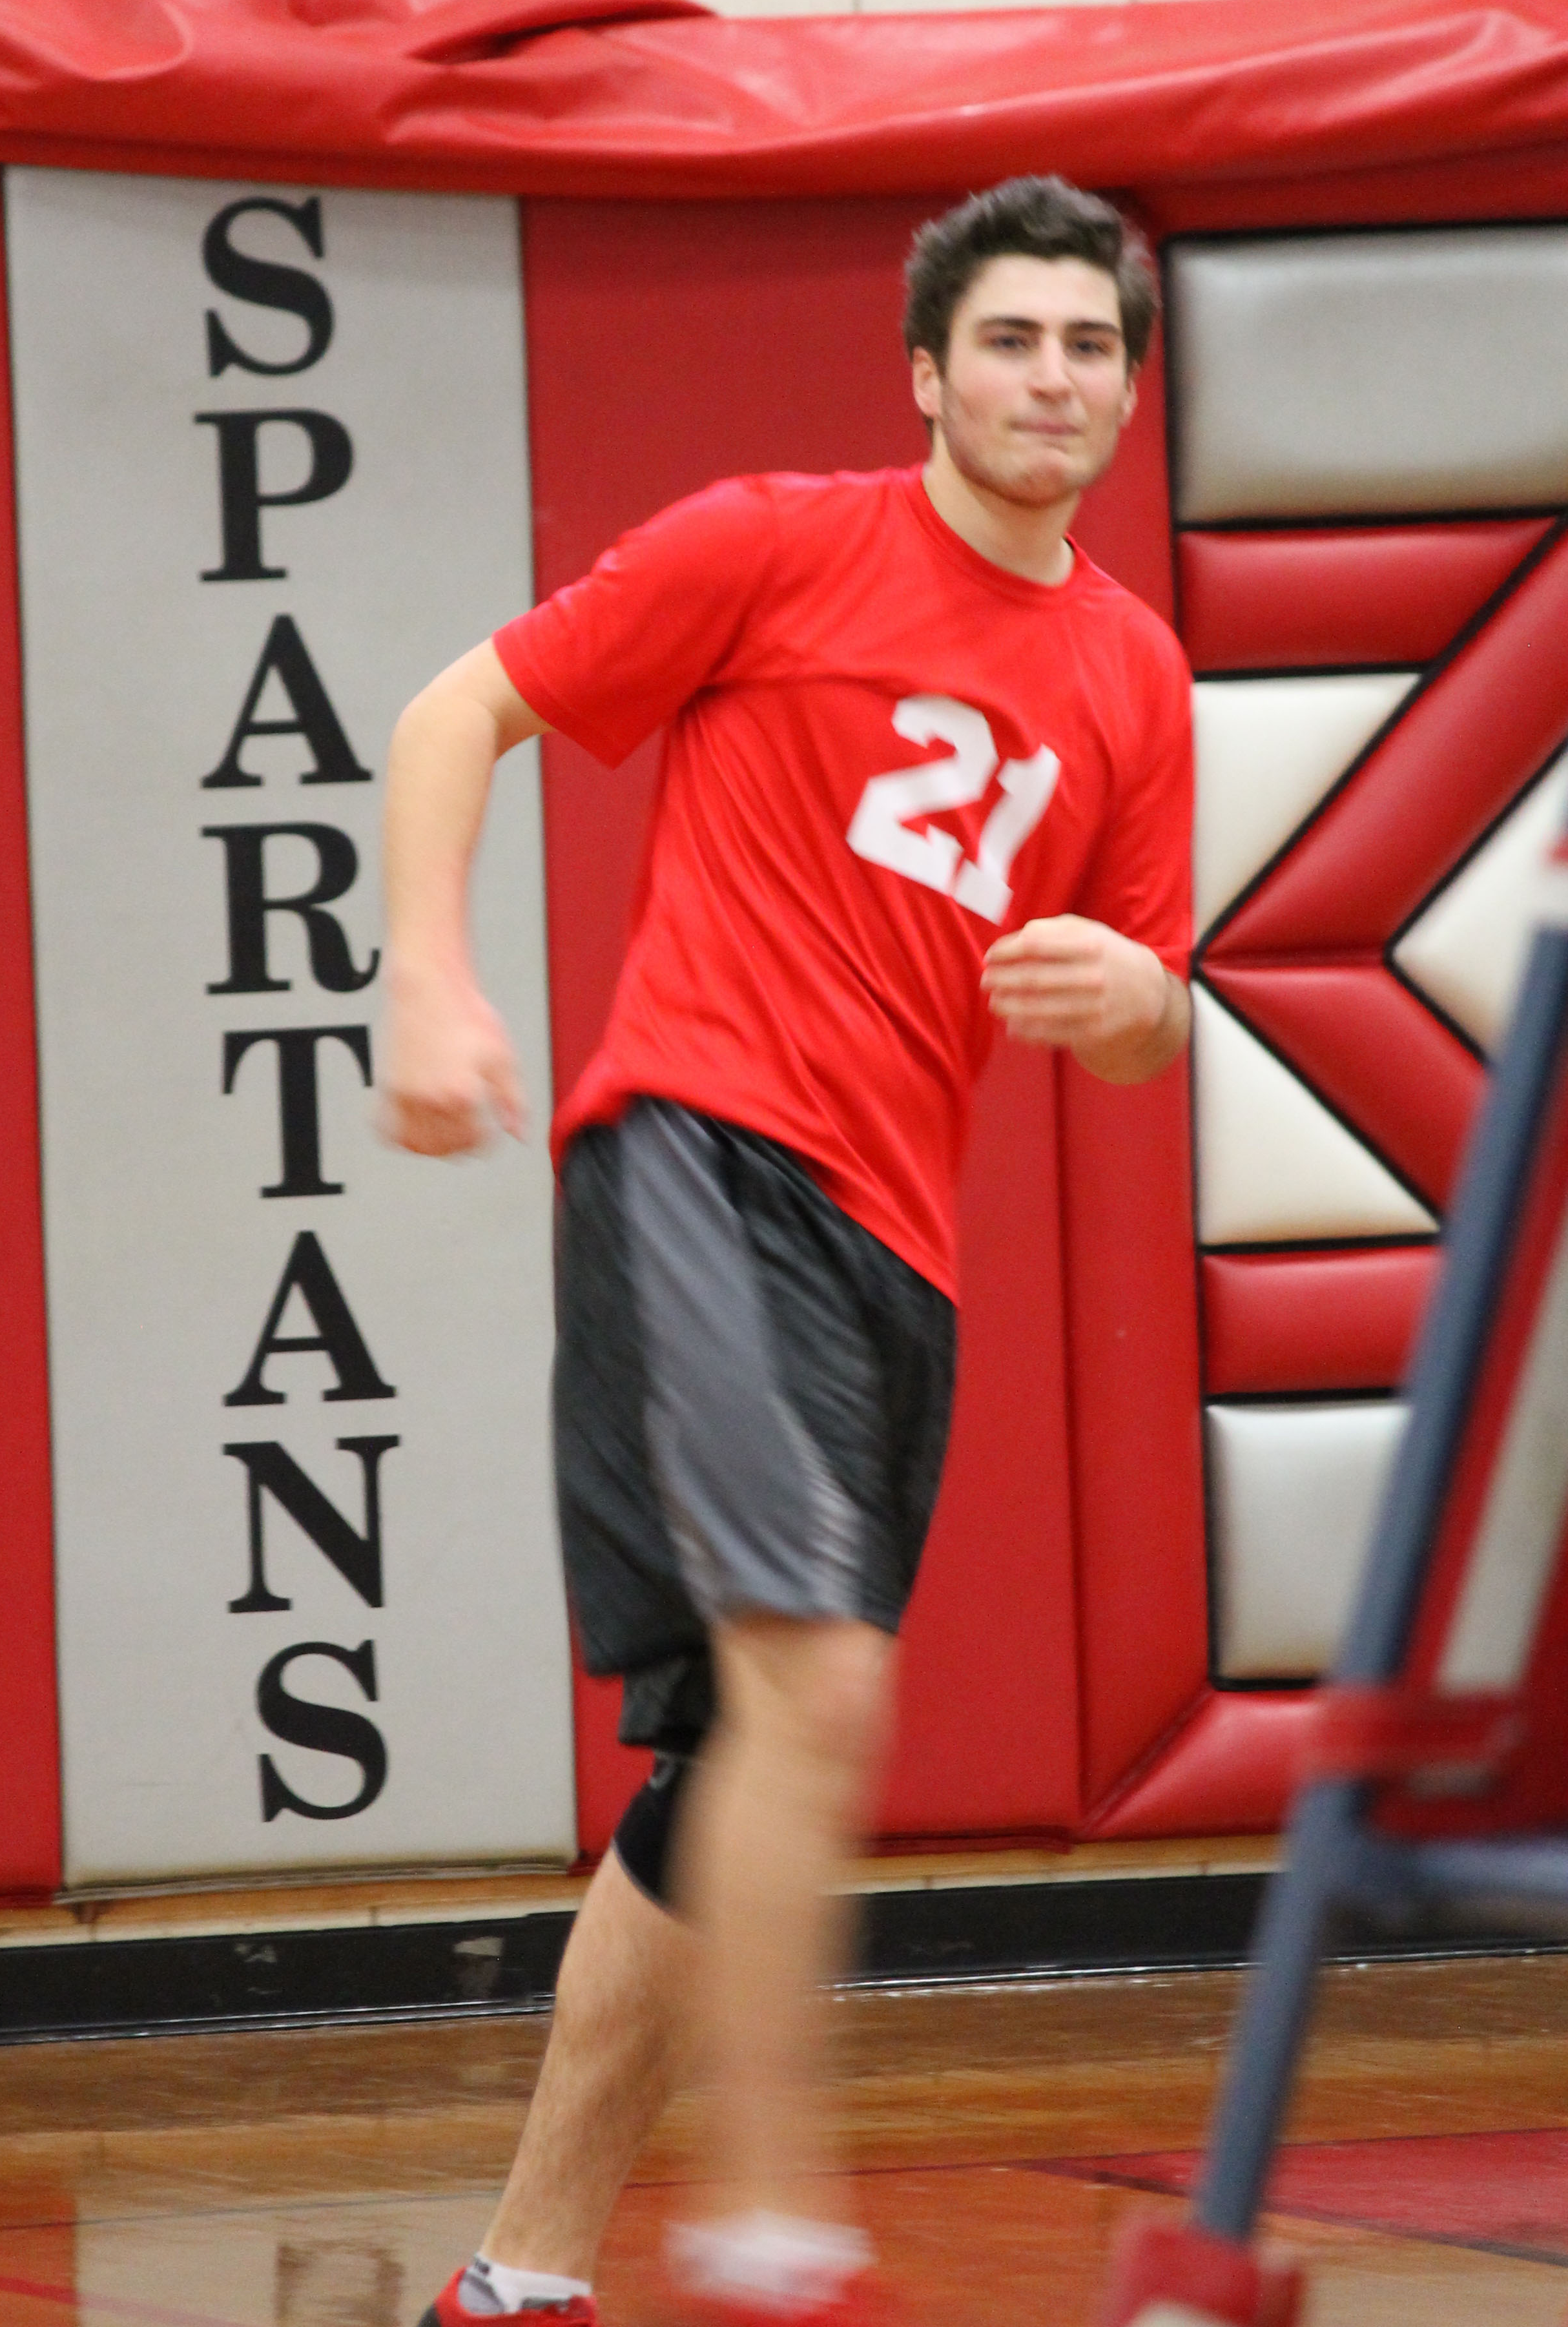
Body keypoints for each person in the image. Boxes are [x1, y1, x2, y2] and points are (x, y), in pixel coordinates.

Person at [382, 176, 1193, 2327]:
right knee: (817, 1686)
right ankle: (773, 2226)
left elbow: (1147, 1009)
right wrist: (429, 983)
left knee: (741, 1762)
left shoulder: (1133, 672)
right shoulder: (772, 541)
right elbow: (455, 711)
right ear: (928, 372)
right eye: (1010, 342)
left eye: (1089, 346)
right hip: (698, 1156)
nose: (1052, 379)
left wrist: (1139, 1008)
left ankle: (519, 2283)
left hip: (895, 1262)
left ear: (1127, 385)